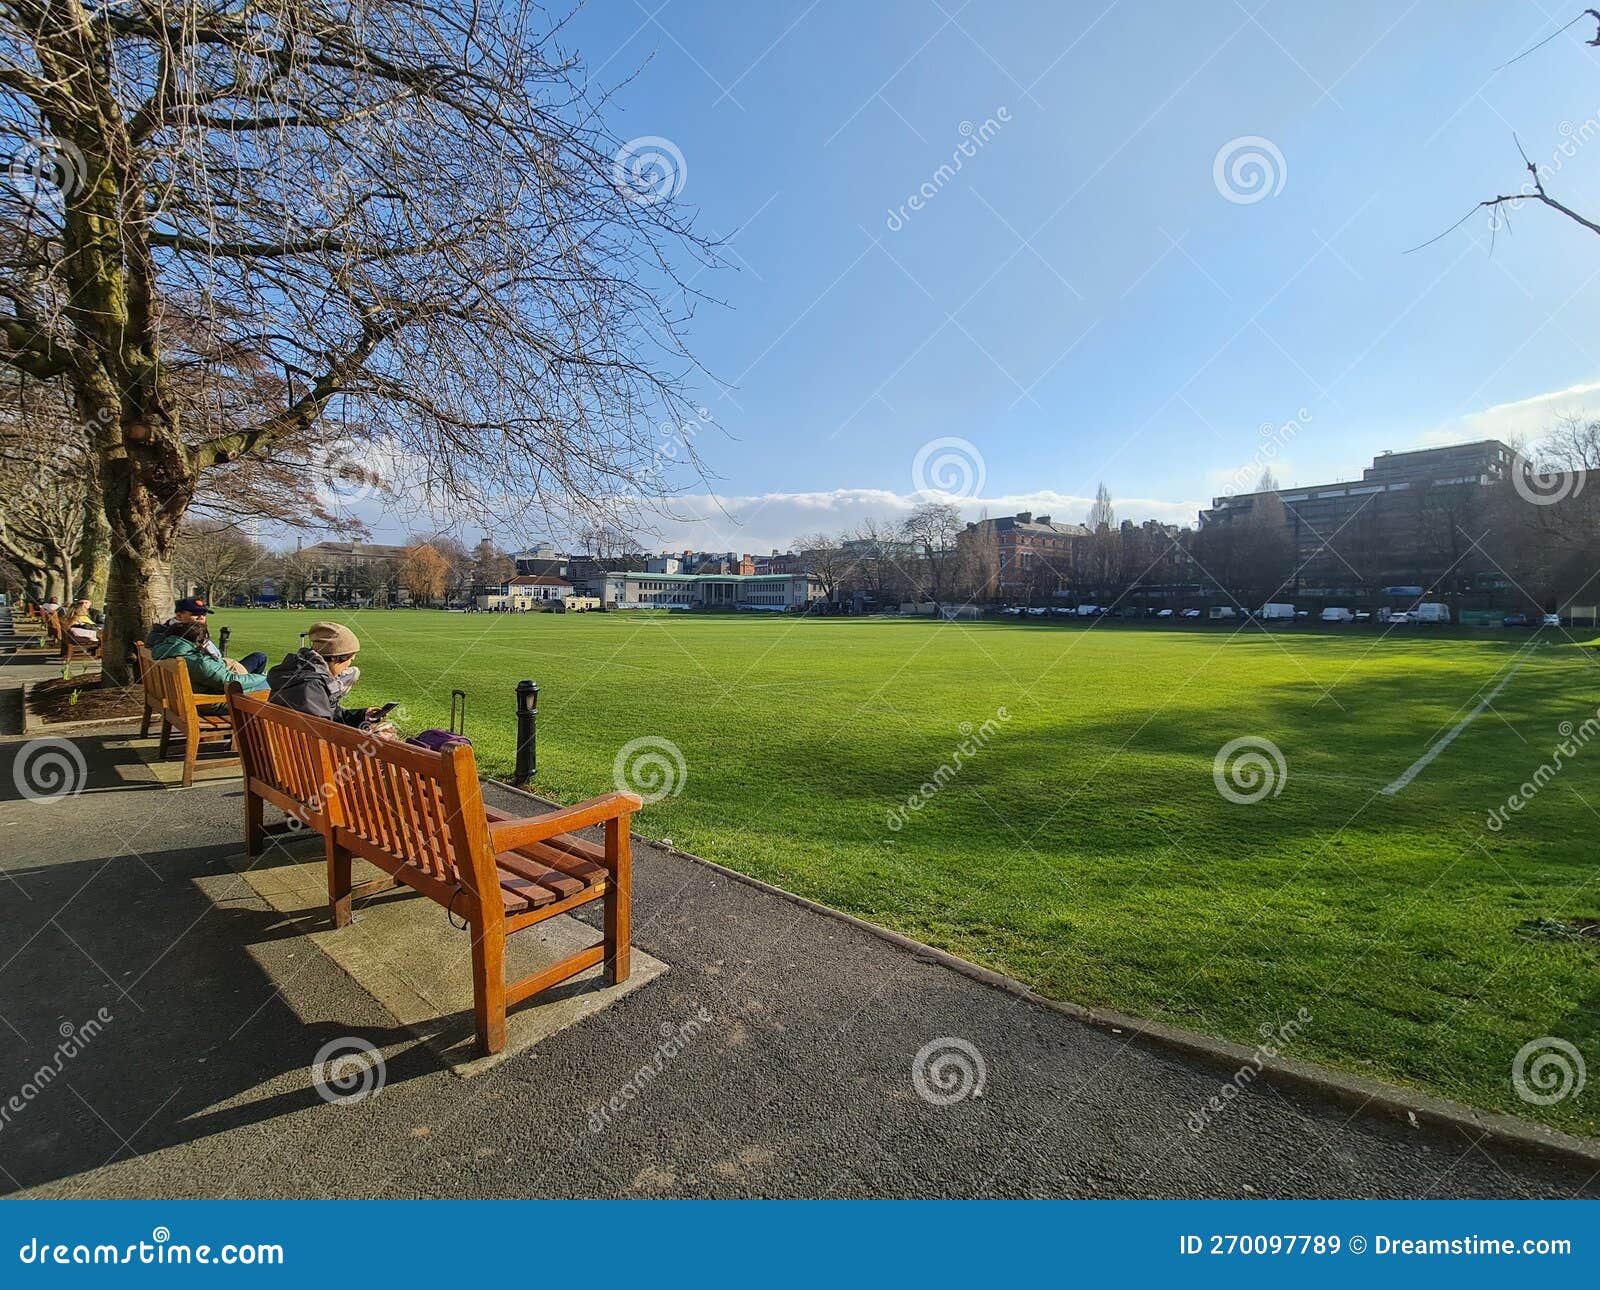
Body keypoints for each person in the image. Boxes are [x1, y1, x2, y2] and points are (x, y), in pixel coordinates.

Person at [267, 622, 387, 727]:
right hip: (307, 750)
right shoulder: (311, 686)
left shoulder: (298, 674)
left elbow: (329, 714)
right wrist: (369, 734)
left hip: (289, 745)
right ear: (335, 659)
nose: (349, 666)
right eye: (350, 660)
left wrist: (361, 716)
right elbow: (324, 734)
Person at [149, 596, 268, 675]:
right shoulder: (180, 638)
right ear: (179, 616)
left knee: (259, 657)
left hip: (214, 670)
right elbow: (208, 669)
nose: (201, 618)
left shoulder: (165, 632)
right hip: (218, 677)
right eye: (196, 614)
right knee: (260, 659)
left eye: (204, 614)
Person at [148, 620, 270, 695]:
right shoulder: (198, 661)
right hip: (210, 702)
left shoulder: (164, 651)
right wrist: (265, 677)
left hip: (191, 695)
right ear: (200, 641)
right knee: (275, 685)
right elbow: (231, 680)